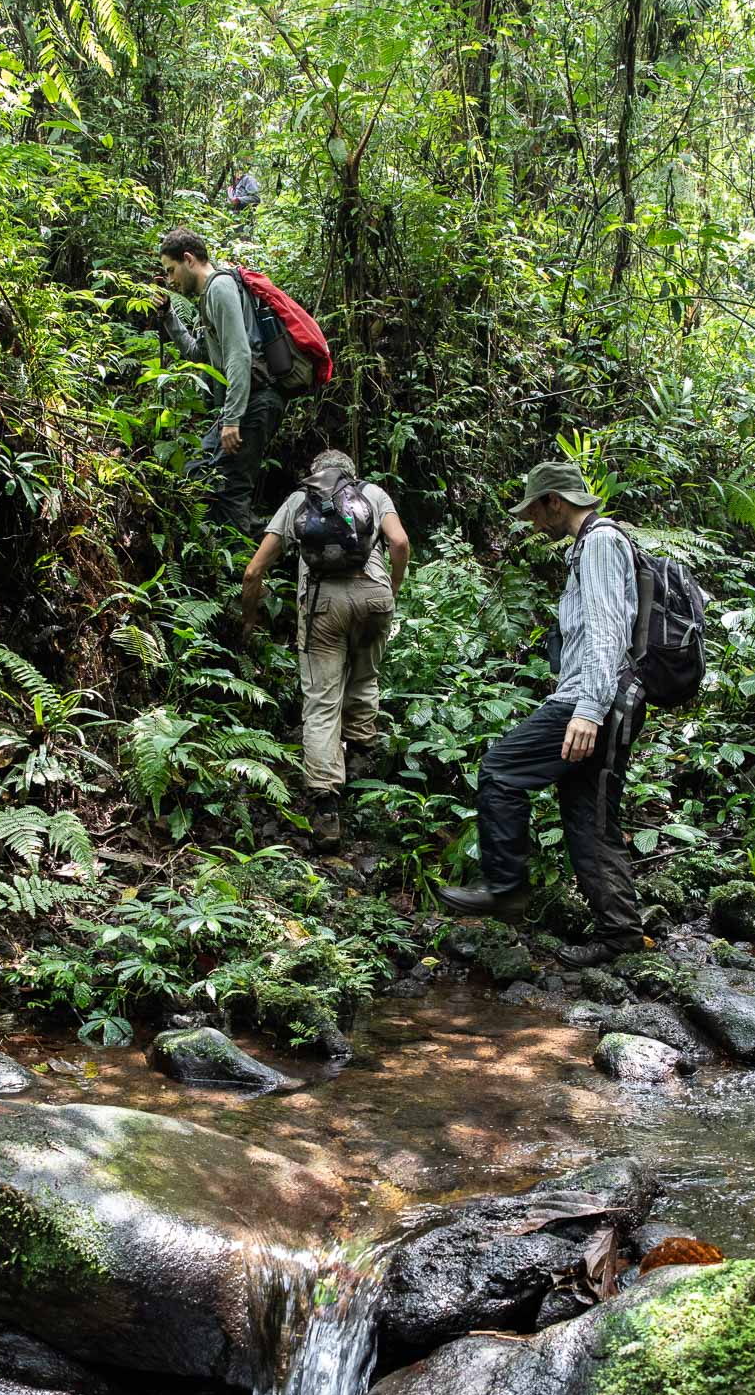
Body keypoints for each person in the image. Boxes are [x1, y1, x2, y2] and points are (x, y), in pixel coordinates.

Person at [439, 460, 646, 969]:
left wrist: (588, 711)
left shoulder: (598, 543)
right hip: (612, 702)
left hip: (595, 700)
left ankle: (506, 889)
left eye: (534, 509)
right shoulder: (595, 545)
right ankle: (620, 937)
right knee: (588, 818)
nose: (533, 522)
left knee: (501, 769)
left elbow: (605, 631)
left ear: (555, 501)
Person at [241, 449, 410, 849]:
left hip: (323, 605)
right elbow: (399, 541)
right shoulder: (373, 493)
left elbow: (253, 570)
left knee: (321, 702)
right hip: (374, 598)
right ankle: (362, 763)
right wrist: (393, 589)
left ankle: (326, 808)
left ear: (315, 475)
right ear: (351, 474)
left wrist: (249, 618)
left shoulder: (299, 500)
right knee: (366, 674)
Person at [156, 228, 283, 534]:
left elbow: (239, 356)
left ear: (188, 259)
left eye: (171, 271)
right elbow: (201, 355)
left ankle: (242, 573)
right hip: (245, 401)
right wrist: (168, 315)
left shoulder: (220, 288)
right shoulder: (208, 296)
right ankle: (226, 556)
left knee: (232, 489)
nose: (171, 280)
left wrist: (232, 419)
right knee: (197, 471)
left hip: (255, 398)